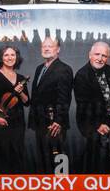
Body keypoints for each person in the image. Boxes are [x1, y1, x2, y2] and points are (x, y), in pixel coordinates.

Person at [72, 41, 110, 173]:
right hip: (90, 121)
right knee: (97, 153)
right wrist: (98, 125)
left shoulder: (109, 70)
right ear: (90, 55)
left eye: (104, 56)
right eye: (97, 54)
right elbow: (83, 106)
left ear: (107, 58)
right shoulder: (82, 75)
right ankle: (79, 174)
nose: (100, 58)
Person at [27, 35, 74, 173]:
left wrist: (59, 121)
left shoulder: (64, 69)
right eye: (44, 46)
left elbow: (65, 98)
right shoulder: (39, 68)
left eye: (50, 46)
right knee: (43, 158)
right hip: (39, 121)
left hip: (54, 122)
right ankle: (46, 188)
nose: (46, 48)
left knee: (58, 158)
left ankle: (62, 187)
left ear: (58, 49)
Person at [0, 44, 29, 173]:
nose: (10, 58)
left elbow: (27, 102)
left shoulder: (21, 79)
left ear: (17, 58)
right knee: (4, 152)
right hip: (0, 118)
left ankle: (16, 186)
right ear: (1, 58)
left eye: (13, 55)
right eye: (6, 55)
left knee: (18, 152)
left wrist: (20, 92)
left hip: (18, 121)